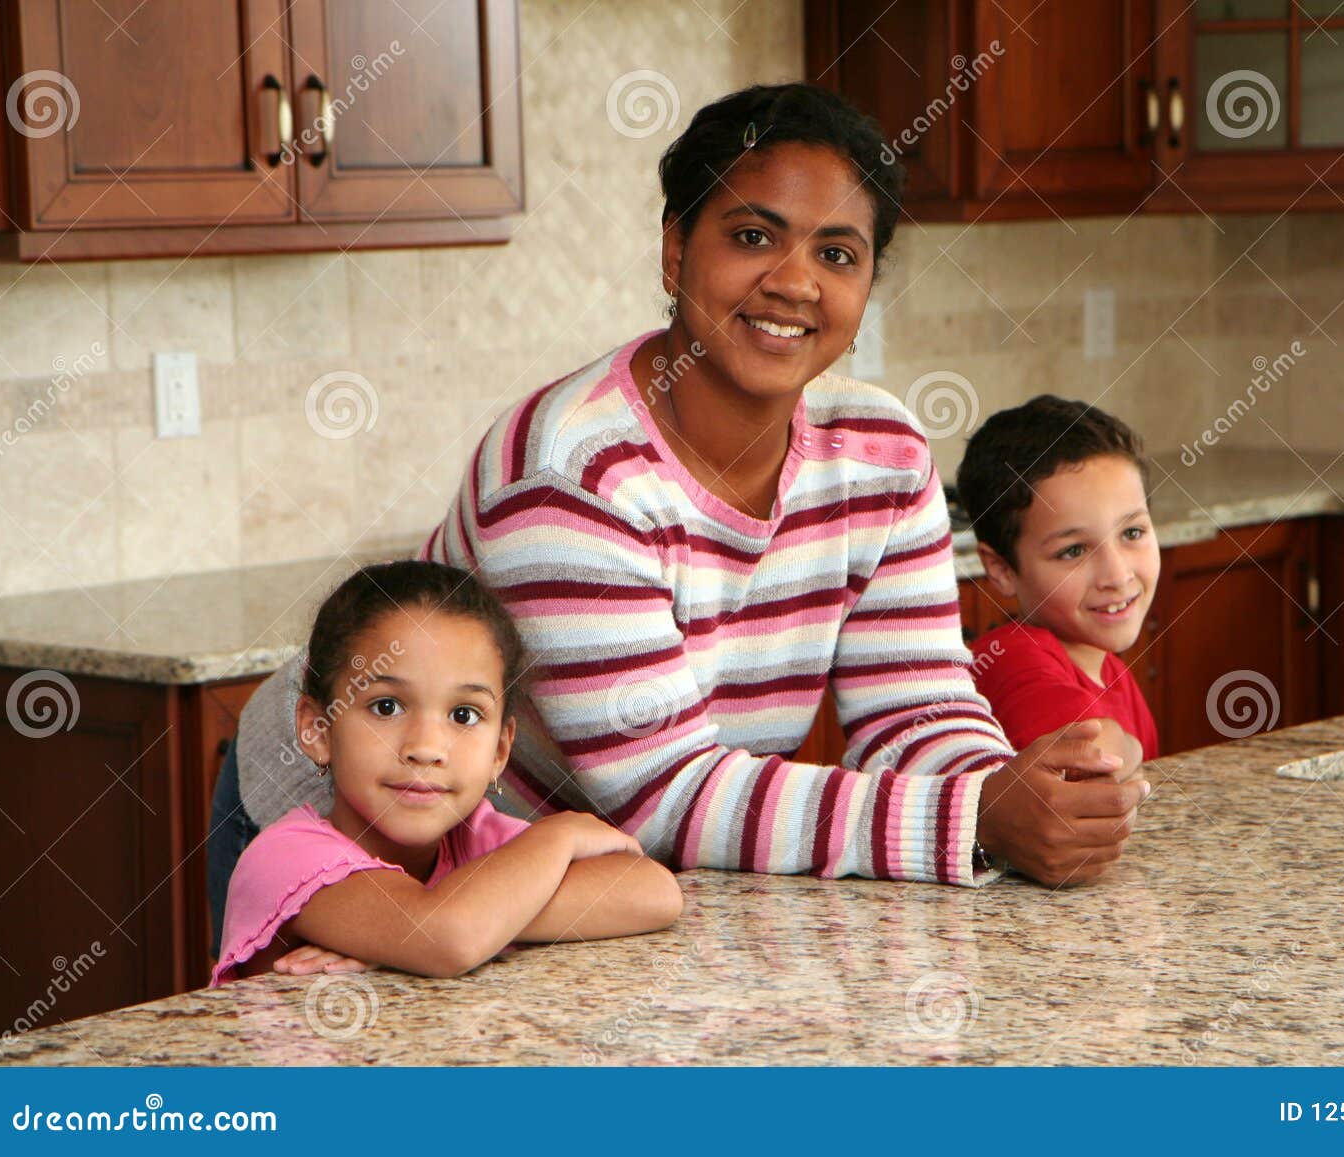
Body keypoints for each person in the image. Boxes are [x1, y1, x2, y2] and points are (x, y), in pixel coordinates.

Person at [209, 84, 1150, 961]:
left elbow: (916, 706)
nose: (795, 282)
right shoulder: (570, 473)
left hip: (575, 868)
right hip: (363, 820)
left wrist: (1025, 792)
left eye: (837, 253)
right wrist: (977, 819)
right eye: (752, 236)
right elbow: (662, 793)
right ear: (675, 250)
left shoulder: (885, 451)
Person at [210, 561, 681, 986]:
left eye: (463, 715)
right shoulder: (283, 858)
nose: (426, 748)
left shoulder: (477, 837)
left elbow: (654, 892)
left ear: (500, 749)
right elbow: (448, 938)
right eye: (386, 706)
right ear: (318, 728)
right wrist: (562, 835)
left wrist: (412, 936)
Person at [957, 397, 1161, 763]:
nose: (1117, 575)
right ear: (1002, 569)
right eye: (1073, 551)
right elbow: (1097, 757)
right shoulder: (1008, 657)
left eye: (1132, 533)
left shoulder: (1109, 669)